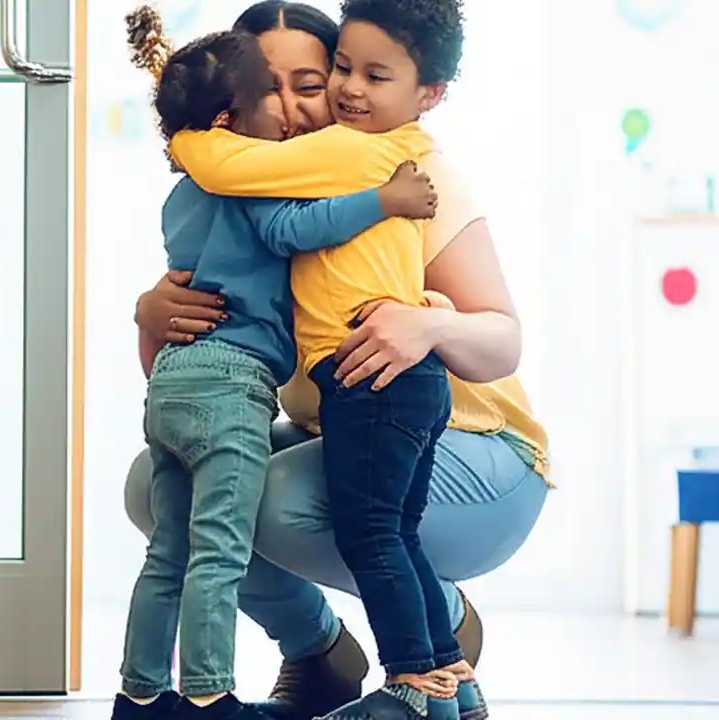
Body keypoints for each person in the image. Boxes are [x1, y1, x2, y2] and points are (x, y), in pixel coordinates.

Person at [126, 2, 553, 718]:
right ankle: (320, 653)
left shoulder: (397, 169)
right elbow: (200, 394)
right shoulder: (243, 196)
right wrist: (152, 313)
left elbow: (503, 339)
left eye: (310, 81)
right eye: (268, 85)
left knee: (267, 498)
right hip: (348, 428)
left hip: (479, 451)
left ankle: (434, 627)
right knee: (160, 485)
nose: (291, 106)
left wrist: (424, 325)